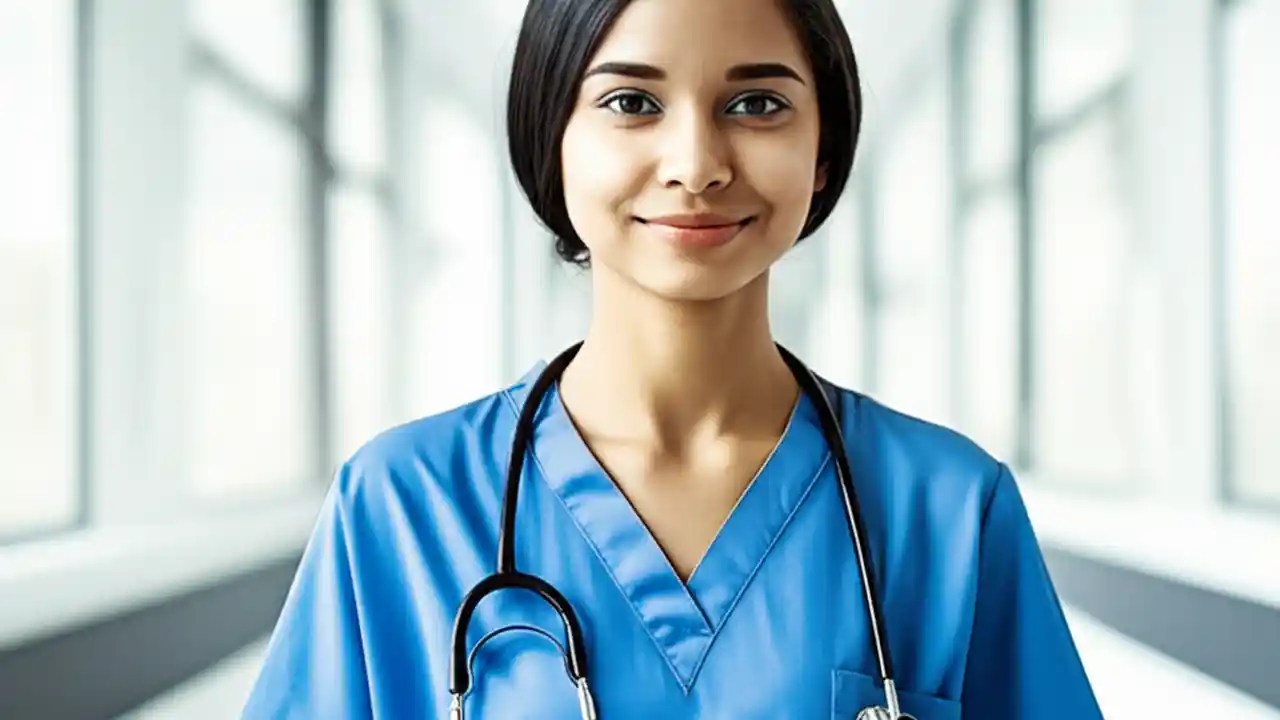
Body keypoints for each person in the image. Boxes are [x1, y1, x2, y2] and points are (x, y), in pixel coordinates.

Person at [243, 0, 1103, 717]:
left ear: (824, 152)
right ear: (554, 139)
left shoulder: (949, 510)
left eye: (757, 104)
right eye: (631, 103)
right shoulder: (399, 505)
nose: (695, 165)